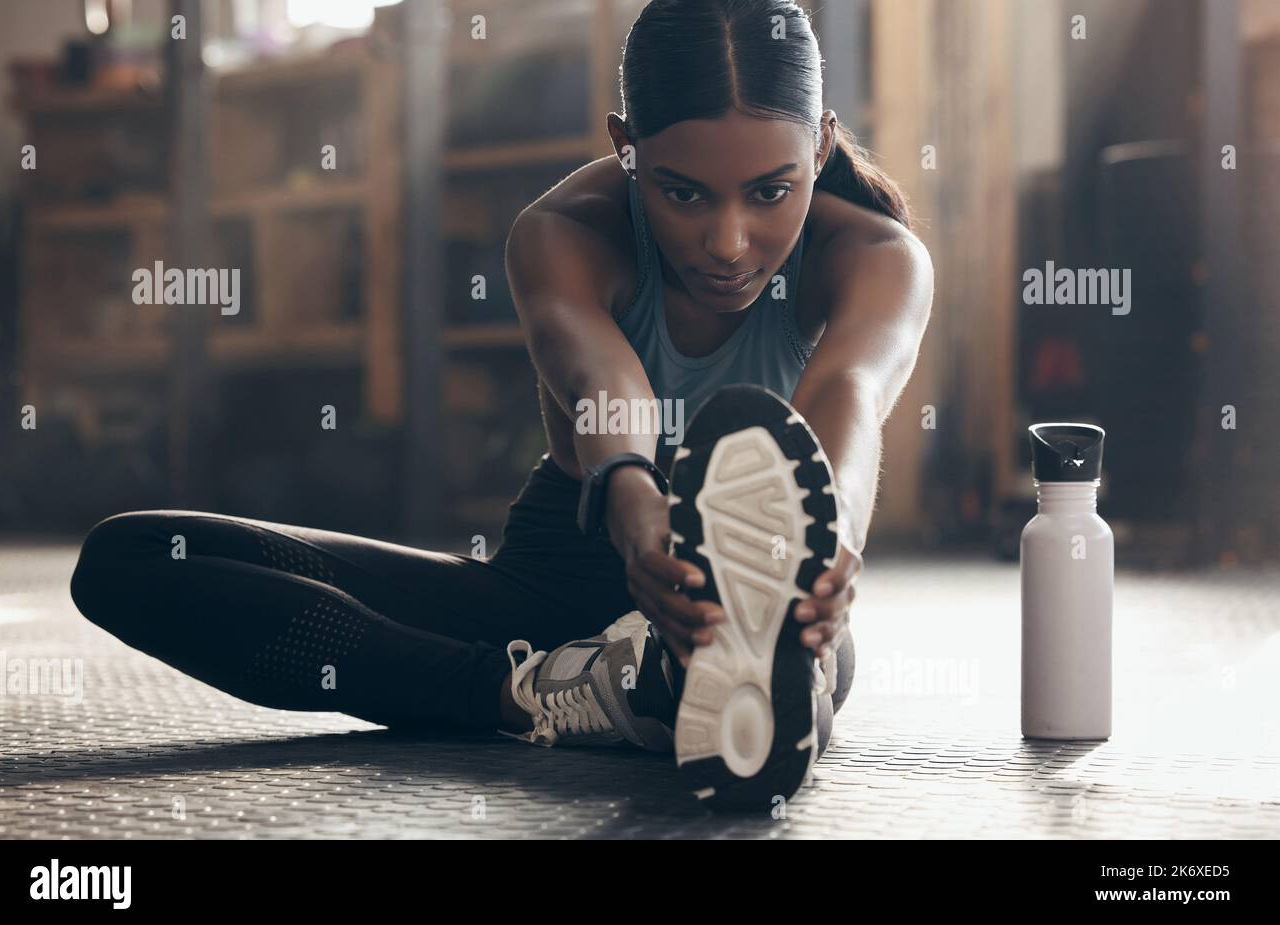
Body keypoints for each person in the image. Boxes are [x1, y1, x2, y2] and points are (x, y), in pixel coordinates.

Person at [69, 0, 932, 809]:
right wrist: (634, 505)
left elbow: (846, 400)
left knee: (813, 671)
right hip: (557, 581)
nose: (729, 242)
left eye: (770, 192)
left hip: (741, 595)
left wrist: (830, 549)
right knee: (132, 557)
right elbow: (604, 385)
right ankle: (540, 691)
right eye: (684, 193)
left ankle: (633, 688)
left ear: (820, 149)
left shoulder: (877, 257)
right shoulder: (563, 230)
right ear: (626, 147)